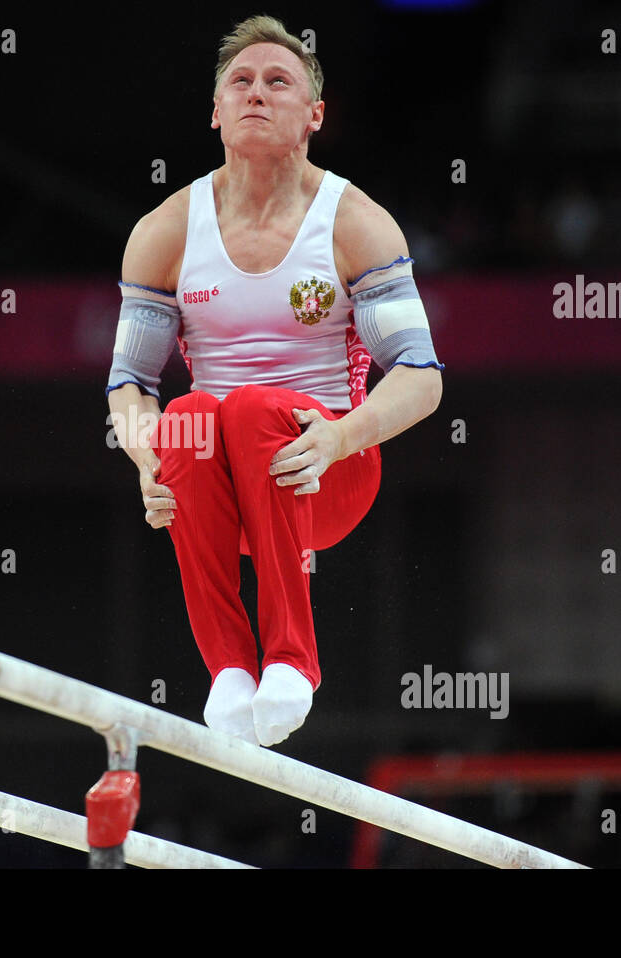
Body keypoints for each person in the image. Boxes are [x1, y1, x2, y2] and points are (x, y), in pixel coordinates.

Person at [106, 14, 443, 747]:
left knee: (254, 406)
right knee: (188, 417)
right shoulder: (165, 230)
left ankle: (293, 657)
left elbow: (420, 379)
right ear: (216, 112)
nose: (257, 93)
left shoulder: (356, 224)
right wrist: (145, 462)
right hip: (216, 489)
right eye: (241, 82)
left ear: (315, 115)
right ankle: (229, 668)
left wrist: (340, 436)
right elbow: (129, 386)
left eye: (278, 81)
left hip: (326, 471)